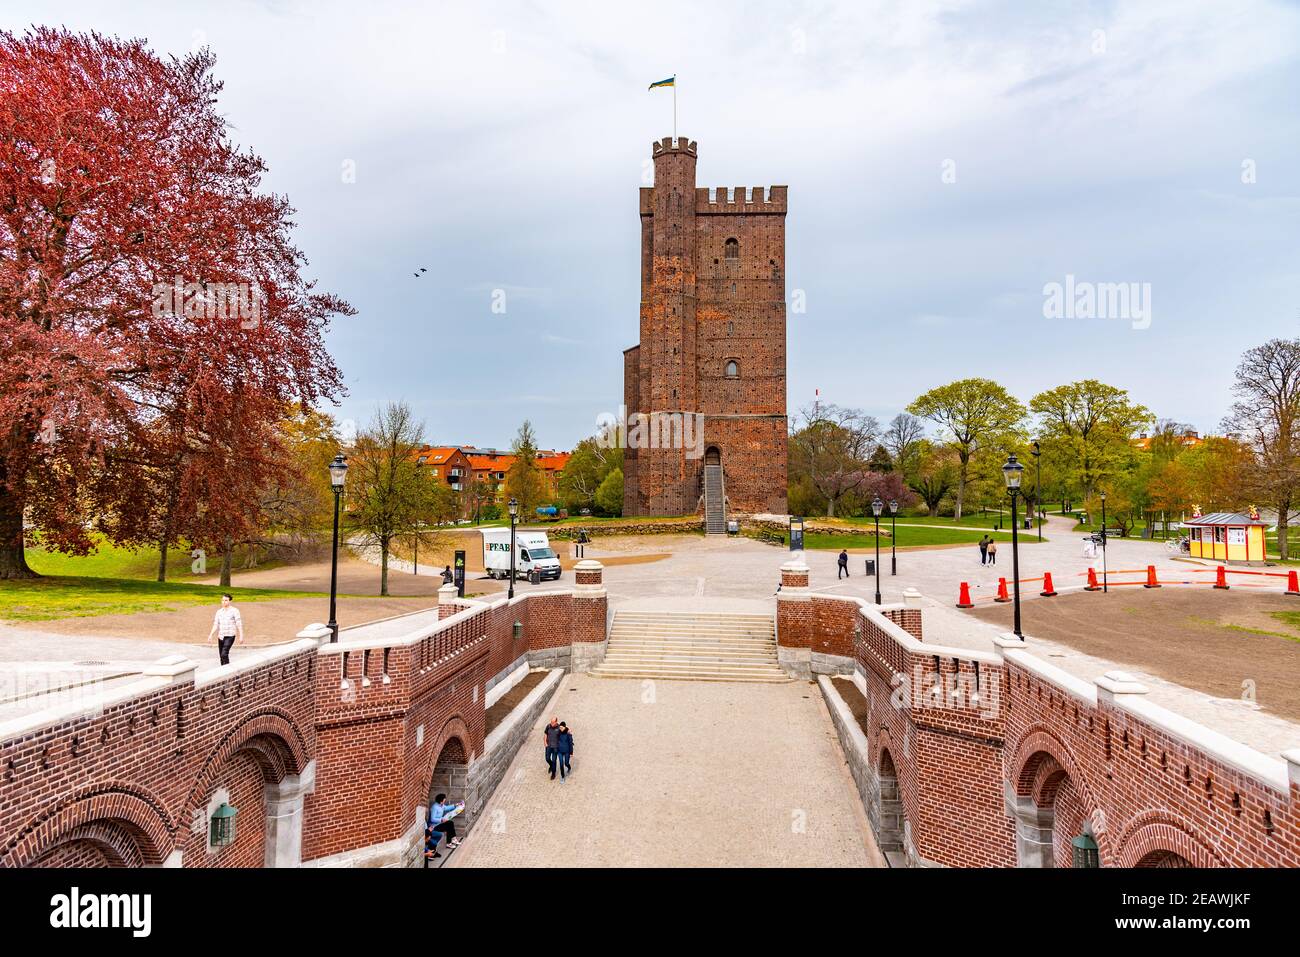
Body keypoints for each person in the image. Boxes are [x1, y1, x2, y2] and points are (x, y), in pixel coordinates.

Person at [207, 593, 243, 665]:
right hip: (221, 636)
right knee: (221, 656)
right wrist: (210, 635)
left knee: (224, 654)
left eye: (226, 600)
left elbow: (239, 624)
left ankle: (228, 670)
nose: (224, 602)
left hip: (230, 636)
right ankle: (223, 671)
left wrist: (241, 636)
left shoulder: (235, 611)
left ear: (230, 601)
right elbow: (216, 624)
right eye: (222, 600)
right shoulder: (219, 612)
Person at [427, 793, 463, 857]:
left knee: (450, 823)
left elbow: (446, 808)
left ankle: (453, 839)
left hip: (439, 823)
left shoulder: (441, 805)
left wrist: (456, 805)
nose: (445, 800)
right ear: (441, 801)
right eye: (444, 800)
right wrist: (441, 820)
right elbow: (432, 819)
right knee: (448, 825)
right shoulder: (435, 807)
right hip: (434, 826)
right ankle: (449, 842)